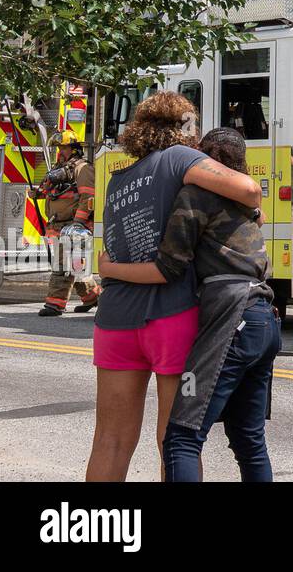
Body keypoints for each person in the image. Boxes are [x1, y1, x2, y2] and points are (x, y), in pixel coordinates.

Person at [85, 92, 262, 481]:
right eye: (193, 124)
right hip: (171, 318)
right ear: (183, 126)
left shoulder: (120, 178)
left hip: (114, 320)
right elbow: (249, 190)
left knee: (110, 440)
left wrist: (109, 270)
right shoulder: (180, 159)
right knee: (175, 440)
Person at [38, 131, 100, 317]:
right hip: (58, 226)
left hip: (73, 227)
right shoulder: (61, 169)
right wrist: (39, 193)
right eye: (58, 148)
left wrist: (78, 223)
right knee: (76, 266)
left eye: (63, 147)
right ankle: (92, 297)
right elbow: (52, 192)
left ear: (74, 150)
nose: (60, 152)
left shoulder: (83, 168)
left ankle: (55, 304)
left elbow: (88, 196)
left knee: (62, 265)